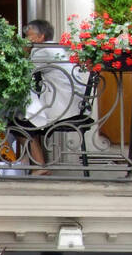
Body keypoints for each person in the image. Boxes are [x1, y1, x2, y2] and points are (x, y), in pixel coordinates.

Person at [21, 19, 86, 170]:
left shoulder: (43, 51)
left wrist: (24, 51)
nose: (25, 40)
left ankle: (39, 167)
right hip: (74, 104)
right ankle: (38, 164)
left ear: (40, 37)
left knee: (19, 120)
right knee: (27, 117)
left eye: (28, 36)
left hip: (64, 107)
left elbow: (23, 72)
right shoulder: (56, 49)